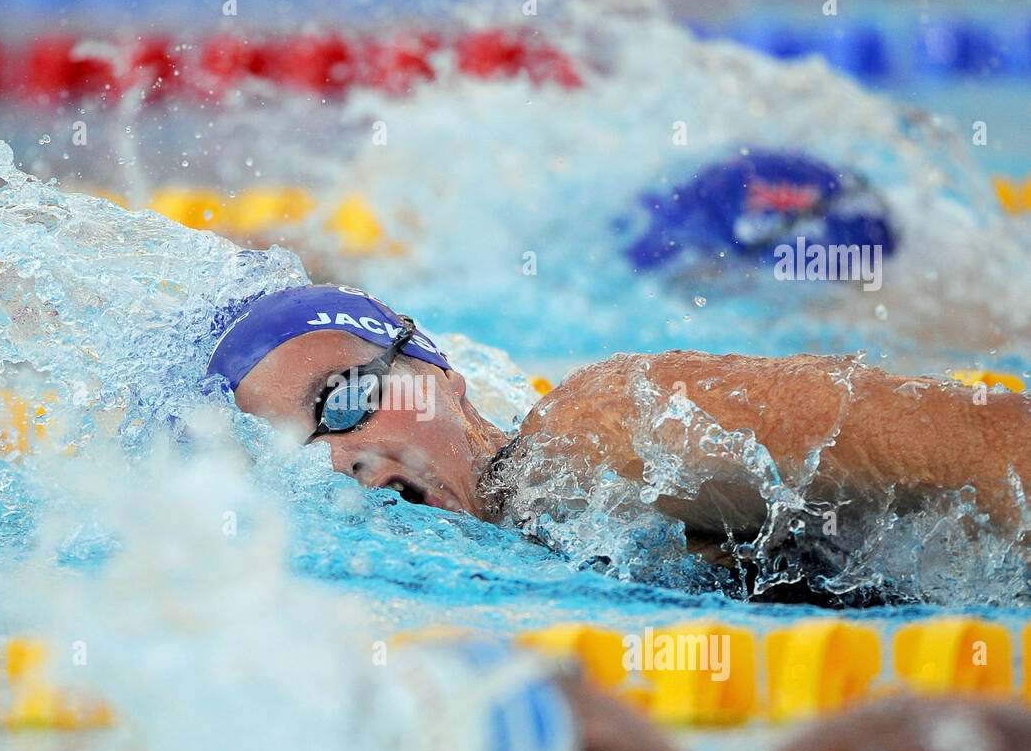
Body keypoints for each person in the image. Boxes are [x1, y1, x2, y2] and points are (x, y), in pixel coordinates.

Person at [208, 282, 1030, 602]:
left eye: (346, 402)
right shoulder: (444, 576)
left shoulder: (612, 434)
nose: (343, 463)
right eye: (293, 455)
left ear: (443, 377)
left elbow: (991, 446)